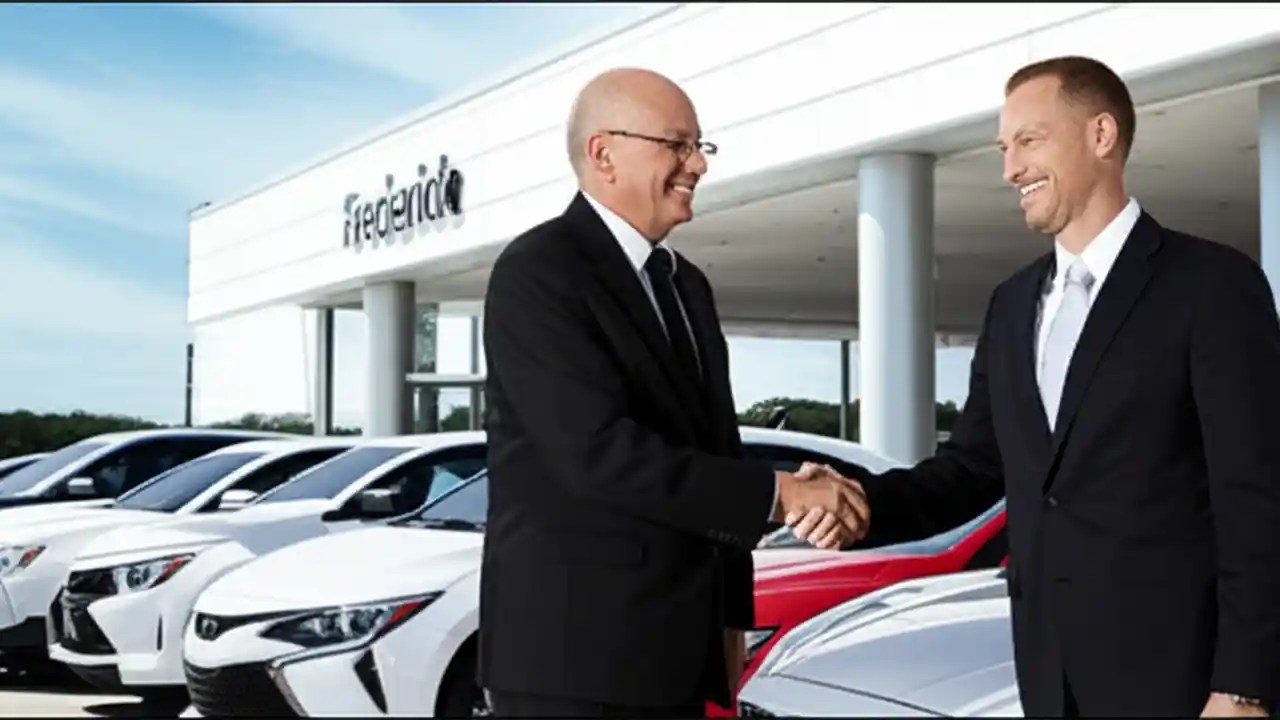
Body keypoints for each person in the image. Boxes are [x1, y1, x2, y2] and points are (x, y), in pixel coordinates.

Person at [792, 55, 1280, 718]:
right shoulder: (1012, 304)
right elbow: (973, 467)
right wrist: (862, 504)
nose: (1010, 169)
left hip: (1184, 681)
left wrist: (1244, 685)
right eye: (1003, 148)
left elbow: (1257, 500)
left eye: (1029, 141)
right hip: (1046, 676)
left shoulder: (1212, 286)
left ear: (1101, 136)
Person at [477, 67, 870, 717]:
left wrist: (728, 619)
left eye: (700, 147)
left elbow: (713, 446)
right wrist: (784, 494)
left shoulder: (685, 285)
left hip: (679, 656)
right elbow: (599, 454)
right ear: (603, 153)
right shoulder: (539, 273)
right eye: (677, 145)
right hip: (574, 664)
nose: (697, 166)